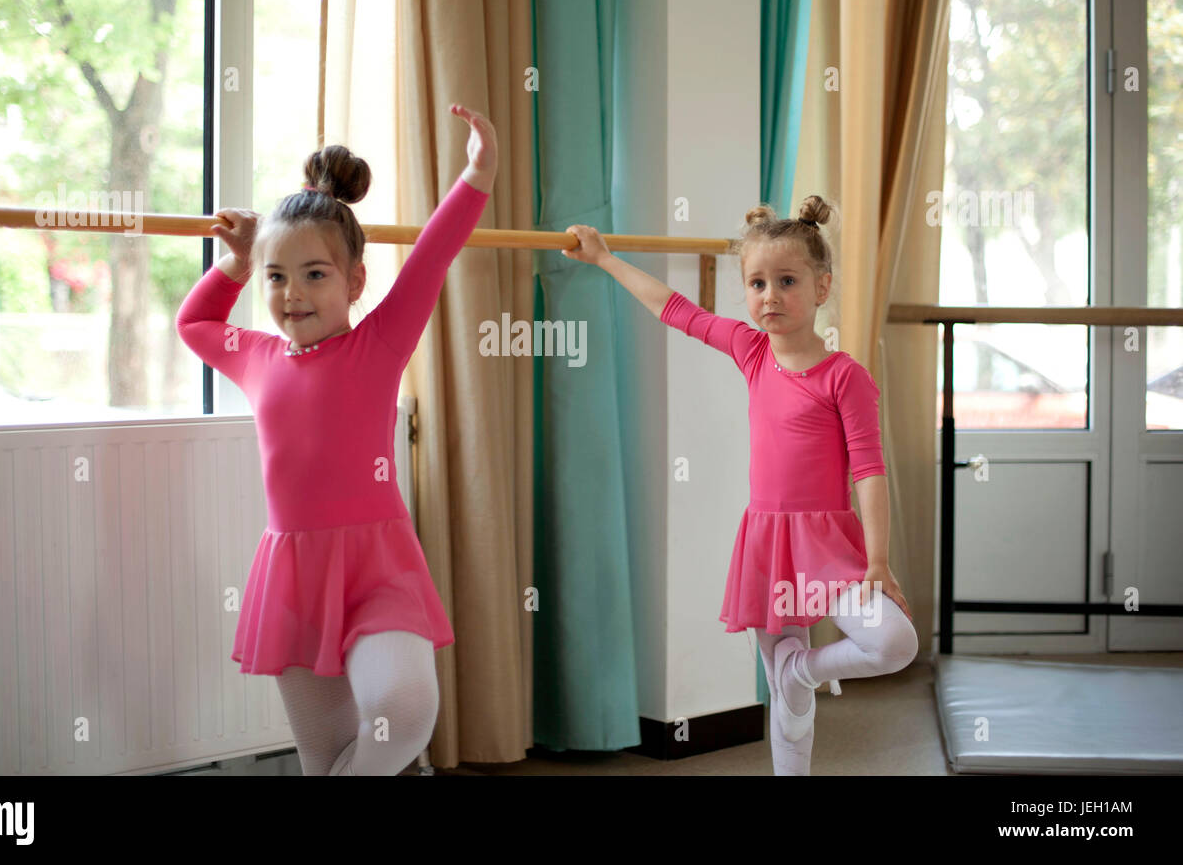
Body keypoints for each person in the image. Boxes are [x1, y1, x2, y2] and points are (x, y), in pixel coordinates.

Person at [176, 104, 497, 775]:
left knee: (403, 711)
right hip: (295, 575)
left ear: (353, 281)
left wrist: (477, 171)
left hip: (379, 567)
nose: (292, 293)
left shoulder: (377, 345)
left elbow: (433, 256)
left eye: (314, 274)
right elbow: (194, 322)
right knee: (326, 758)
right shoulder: (254, 355)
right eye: (276, 276)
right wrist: (236, 263)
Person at [562, 197, 918, 775]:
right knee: (789, 707)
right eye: (756, 283)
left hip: (830, 547)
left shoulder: (844, 376)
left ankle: (803, 668)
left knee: (892, 643)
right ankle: (793, 701)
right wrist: (604, 259)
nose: (769, 295)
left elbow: (869, 470)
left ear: (822, 288)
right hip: (768, 544)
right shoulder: (752, 352)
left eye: (786, 281)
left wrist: (877, 561)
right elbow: (674, 309)